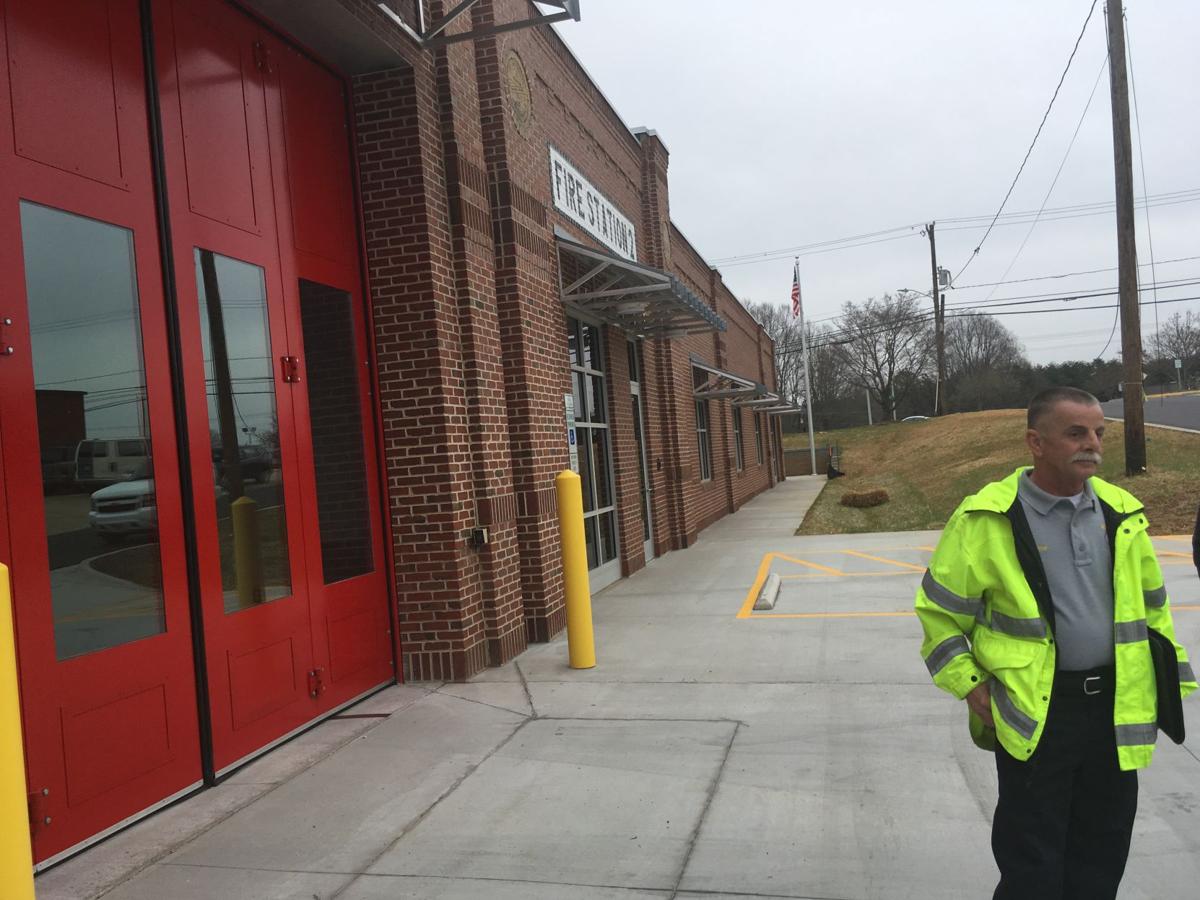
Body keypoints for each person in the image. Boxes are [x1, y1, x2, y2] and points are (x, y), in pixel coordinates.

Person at [915, 386, 1196, 900]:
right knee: (1033, 865)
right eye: (1075, 433)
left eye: (1098, 433)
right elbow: (939, 617)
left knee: (1102, 854)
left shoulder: (1122, 513)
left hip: (1114, 712)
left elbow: (1154, 611)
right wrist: (974, 690)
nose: (1092, 444)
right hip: (1034, 713)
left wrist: (1168, 687)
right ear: (1035, 442)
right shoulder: (986, 519)